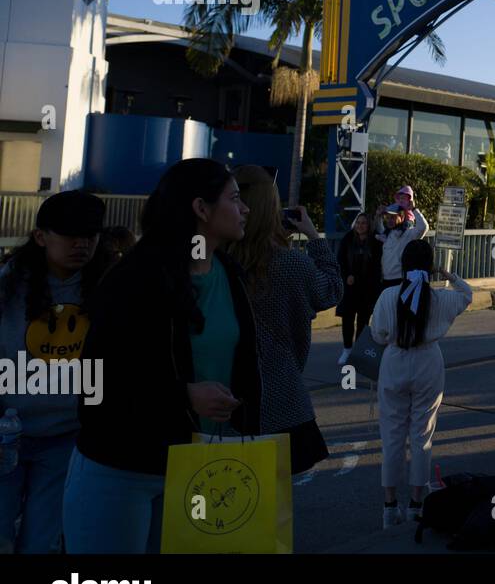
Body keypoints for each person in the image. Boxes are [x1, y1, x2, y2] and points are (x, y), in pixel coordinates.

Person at [63, 159, 261, 553]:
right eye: (235, 198)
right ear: (201, 209)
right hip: (122, 470)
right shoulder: (135, 278)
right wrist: (183, 396)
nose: (245, 209)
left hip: (201, 467)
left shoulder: (231, 274)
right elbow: (98, 383)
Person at [0, 191, 108, 554]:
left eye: (91, 235)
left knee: (42, 541)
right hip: (7, 430)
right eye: (70, 234)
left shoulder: (108, 285)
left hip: (68, 434)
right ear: (41, 236)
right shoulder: (8, 283)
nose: (82, 244)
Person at [227, 165, 342, 474]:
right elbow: (331, 290)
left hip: (221, 401)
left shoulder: (215, 260)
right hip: (281, 402)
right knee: (271, 509)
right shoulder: (290, 264)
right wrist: (314, 237)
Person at [371, 238, 472, 528]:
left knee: (392, 436)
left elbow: (378, 334)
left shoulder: (389, 296)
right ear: (430, 267)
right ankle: (416, 503)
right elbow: (467, 294)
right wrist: (449, 275)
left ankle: (390, 506)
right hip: (428, 363)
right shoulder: (442, 297)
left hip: (395, 360)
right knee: (421, 435)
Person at [337, 212, 383, 365]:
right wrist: (347, 275)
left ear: (369, 225)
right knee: (347, 319)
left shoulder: (375, 241)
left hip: (367, 288)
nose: (360, 226)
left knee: (363, 321)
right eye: (358, 223)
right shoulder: (348, 239)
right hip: (350, 287)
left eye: (364, 223)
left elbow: (378, 265)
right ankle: (347, 349)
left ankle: (358, 351)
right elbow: (341, 260)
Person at [377, 191, 428, 289]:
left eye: (393, 217)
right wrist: (379, 215)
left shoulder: (408, 233)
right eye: (387, 217)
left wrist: (413, 209)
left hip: (400, 280)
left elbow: (423, 227)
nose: (389, 220)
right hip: (385, 280)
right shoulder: (388, 233)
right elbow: (379, 228)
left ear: (402, 217)